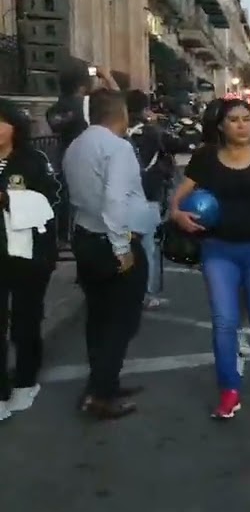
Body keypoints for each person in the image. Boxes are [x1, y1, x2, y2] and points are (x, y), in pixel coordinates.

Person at [170, 98, 250, 419]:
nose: (241, 125)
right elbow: (179, 198)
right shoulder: (206, 158)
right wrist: (177, 214)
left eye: (246, 119)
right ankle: (229, 389)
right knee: (224, 321)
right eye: (234, 119)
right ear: (222, 126)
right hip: (218, 250)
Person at [63, 89, 153, 420]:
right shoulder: (117, 147)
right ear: (121, 113)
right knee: (122, 321)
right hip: (113, 240)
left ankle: (103, 383)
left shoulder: (77, 145)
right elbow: (114, 199)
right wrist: (121, 247)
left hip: (86, 237)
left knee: (99, 317)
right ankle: (101, 394)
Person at [0, 99, 62, 420]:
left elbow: (51, 199)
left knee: (25, 322)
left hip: (28, 255)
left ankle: (25, 382)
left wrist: (8, 200)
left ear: (15, 127)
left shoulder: (33, 160)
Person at [126, 90, 180, 309]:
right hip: (147, 194)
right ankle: (146, 293)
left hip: (119, 196)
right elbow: (178, 143)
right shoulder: (152, 131)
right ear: (145, 108)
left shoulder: (117, 130)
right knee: (147, 246)